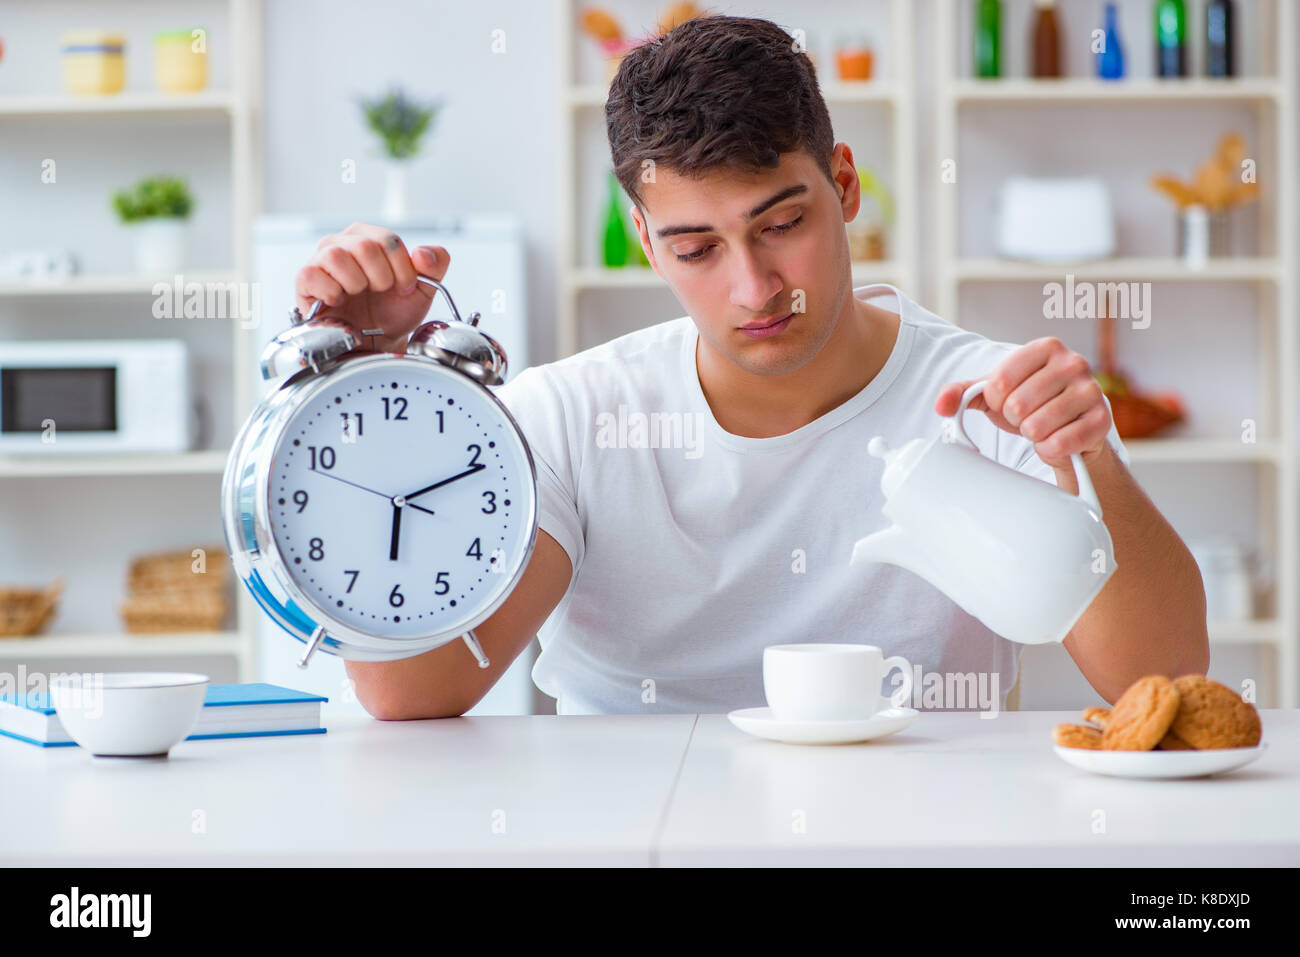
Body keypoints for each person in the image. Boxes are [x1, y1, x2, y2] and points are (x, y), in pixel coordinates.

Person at [293, 16, 1208, 718]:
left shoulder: (992, 400)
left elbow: (1162, 678)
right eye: (697, 248)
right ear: (646, 242)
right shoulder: (572, 414)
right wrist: (373, 395)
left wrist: (1091, 460)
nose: (754, 285)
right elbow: (412, 694)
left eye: (782, 225)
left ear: (843, 185)